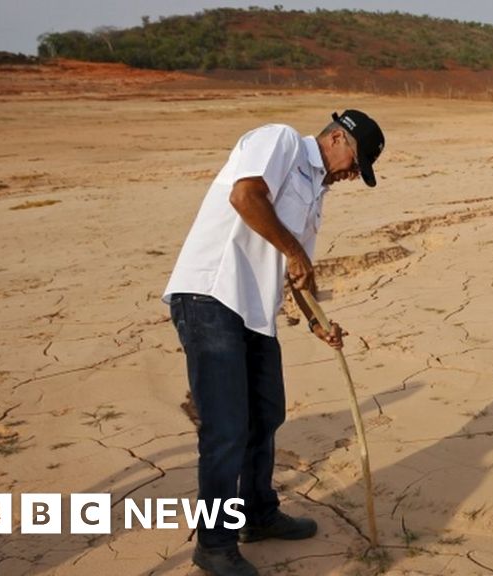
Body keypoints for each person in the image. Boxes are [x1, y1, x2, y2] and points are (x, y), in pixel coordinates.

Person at [163, 110, 385, 576]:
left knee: (267, 413)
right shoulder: (281, 142)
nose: (349, 175)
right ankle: (214, 543)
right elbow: (245, 196)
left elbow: (296, 271)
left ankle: (258, 513)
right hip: (211, 294)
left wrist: (315, 322)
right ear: (336, 138)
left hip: (255, 310)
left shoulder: (316, 193)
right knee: (226, 428)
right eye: (355, 162)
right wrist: (295, 250)